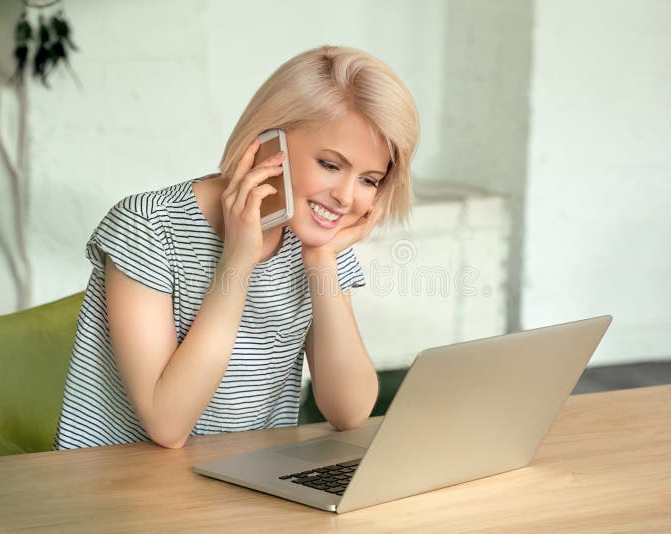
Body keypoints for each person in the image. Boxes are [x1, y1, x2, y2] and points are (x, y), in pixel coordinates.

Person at [53, 45, 420, 450]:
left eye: (369, 180)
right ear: (268, 144)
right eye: (330, 165)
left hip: (241, 487)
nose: (346, 198)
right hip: (119, 490)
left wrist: (321, 262)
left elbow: (348, 411)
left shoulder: (316, 239)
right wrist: (237, 262)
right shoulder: (147, 227)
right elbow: (167, 425)